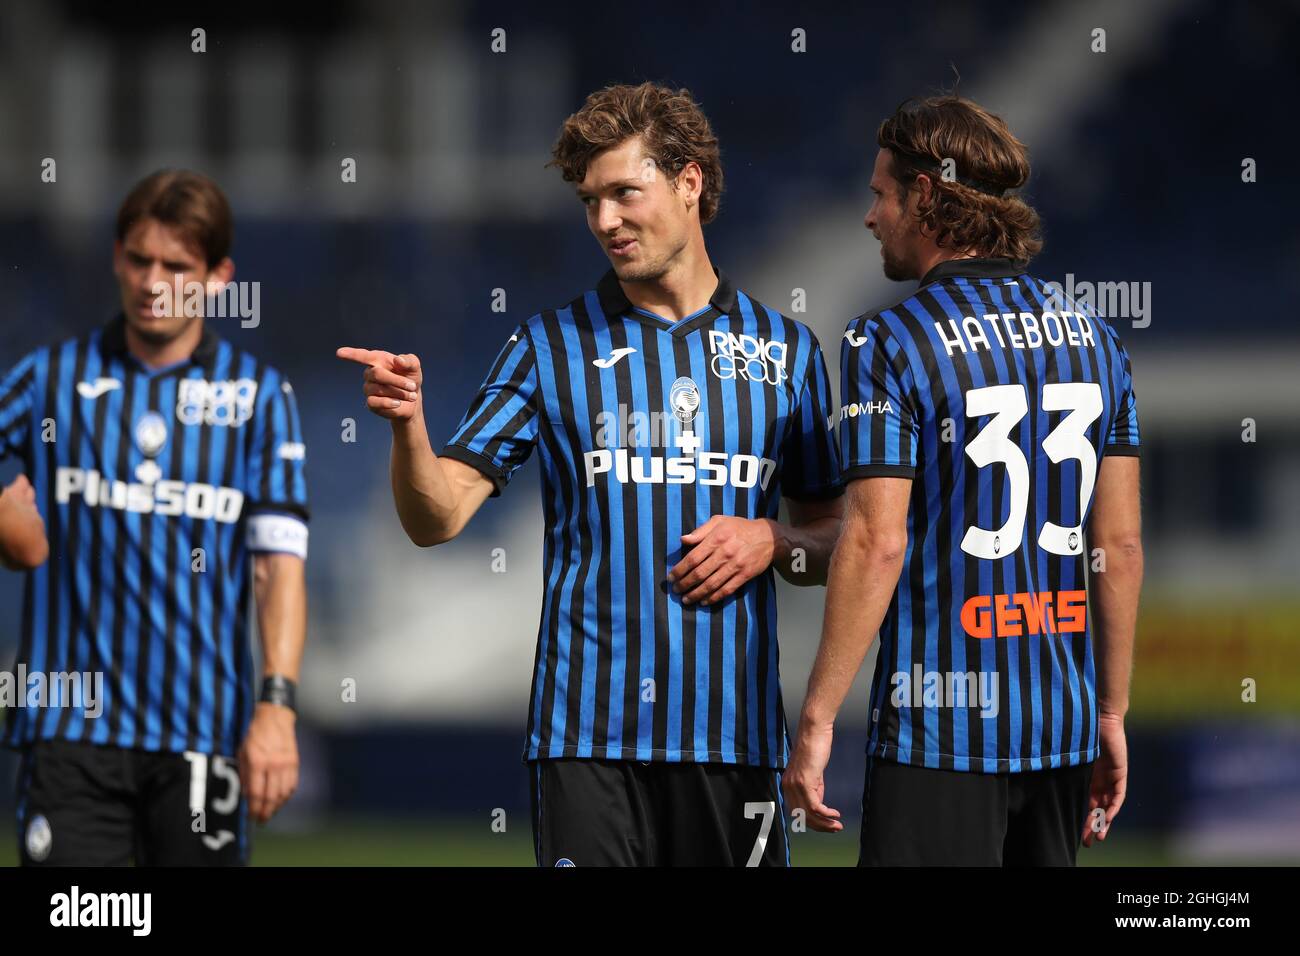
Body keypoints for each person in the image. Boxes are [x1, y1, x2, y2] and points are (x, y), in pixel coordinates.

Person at [339, 82, 843, 866]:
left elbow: (837, 543)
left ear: (688, 183)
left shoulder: (787, 353)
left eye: (623, 193)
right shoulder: (549, 346)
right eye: (589, 200)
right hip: (588, 745)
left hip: (734, 739)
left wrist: (773, 539)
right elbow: (435, 520)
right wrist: (410, 428)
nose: (604, 220)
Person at [784, 95, 1142, 866]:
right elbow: (1120, 545)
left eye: (880, 194)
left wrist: (815, 722)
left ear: (924, 196)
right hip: (1061, 731)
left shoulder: (887, 341)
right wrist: (1109, 712)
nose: (870, 217)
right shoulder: (1098, 340)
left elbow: (878, 541)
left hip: (937, 735)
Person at [0, 169, 310, 865]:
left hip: (204, 741)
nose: (152, 281)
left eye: (177, 265)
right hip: (68, 740)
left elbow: (277, 569)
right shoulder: (50, 380)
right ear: (116, 257)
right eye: (140, 259)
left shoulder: (257, 399)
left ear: (219, 276)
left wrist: (277, 708)